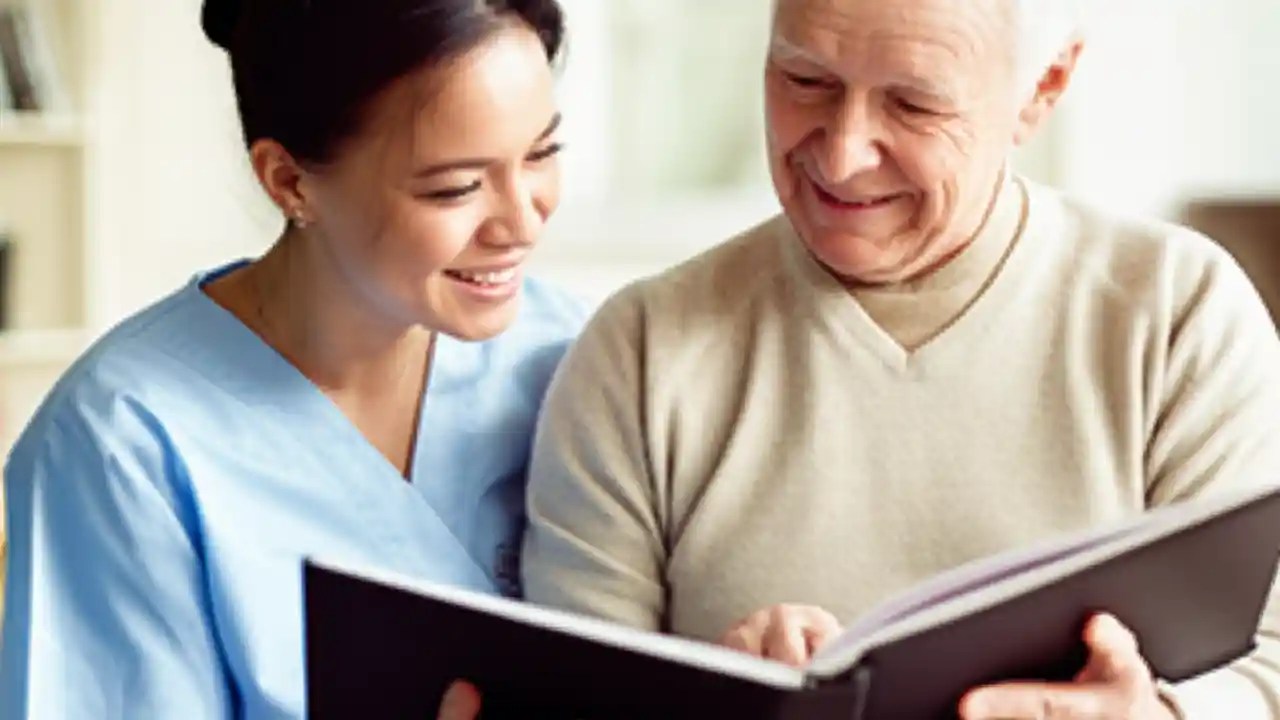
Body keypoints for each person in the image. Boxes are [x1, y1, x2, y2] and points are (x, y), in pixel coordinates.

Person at [522, 0, 1280, 718]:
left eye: (914, 105)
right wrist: (718, 701)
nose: (844, 154)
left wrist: (1160, 713)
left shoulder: (1179, 315)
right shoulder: (641, 353)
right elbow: (567, 700)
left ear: (1042, 89)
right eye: (804, 81)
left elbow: (1268, 666)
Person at [0, 1, 583, 717]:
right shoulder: (122, 442)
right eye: (455, 188)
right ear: (289, 182)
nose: (522, 222)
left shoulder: (580, 361)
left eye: (543, 153)